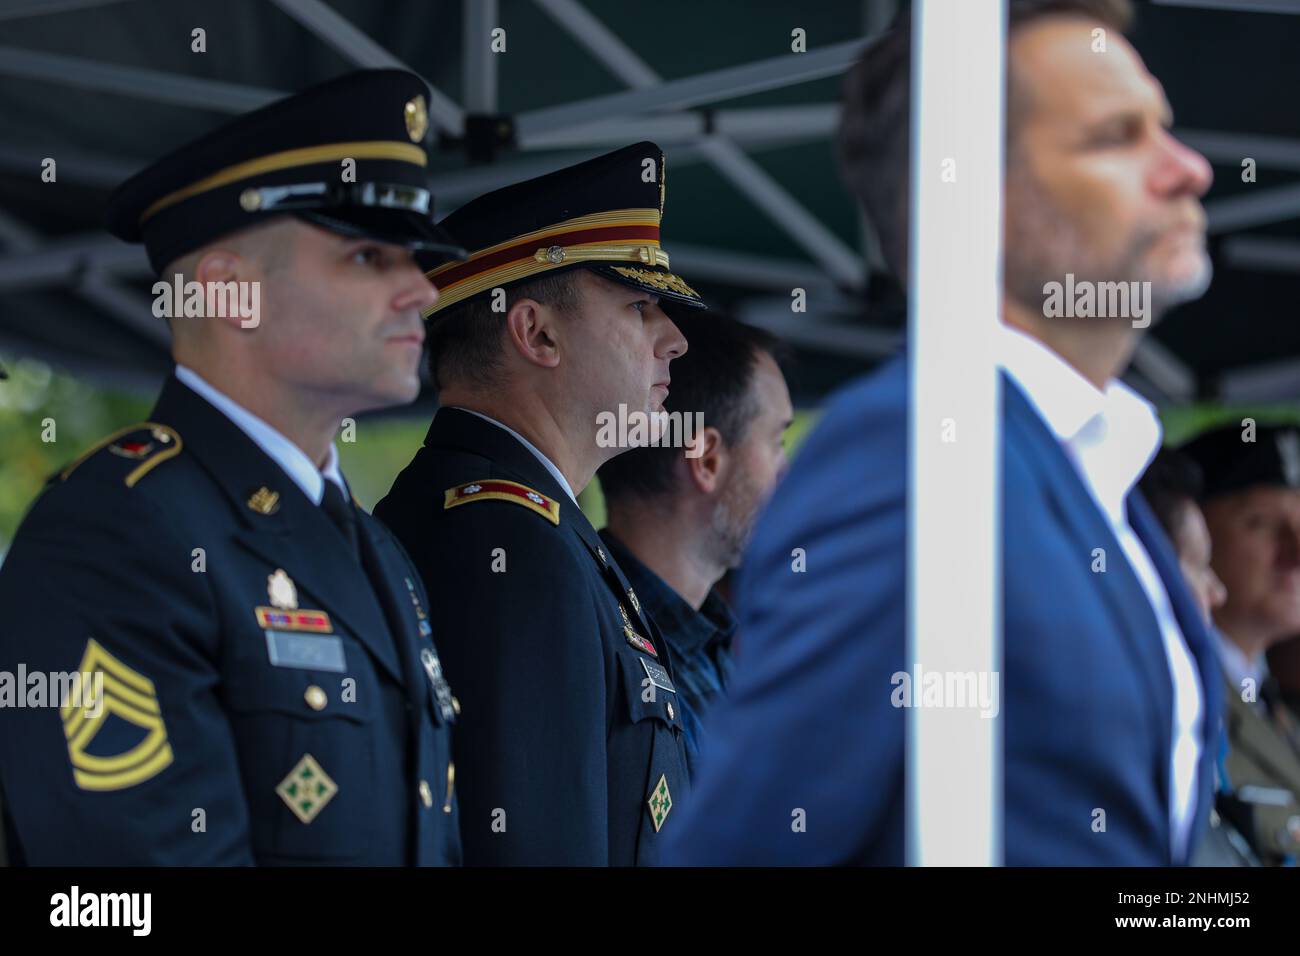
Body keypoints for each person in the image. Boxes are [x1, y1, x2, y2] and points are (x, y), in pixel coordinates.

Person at [665, 0, 1223, 866]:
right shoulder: (913, 458)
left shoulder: (1090, 474)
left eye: (1166, 129)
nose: (1189, 169)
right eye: (1118, 137)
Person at [0, 70, 464, 865]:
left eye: (412, 259)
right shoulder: (116, 530)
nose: (420, 289)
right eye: (367, 256)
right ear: (228, 291)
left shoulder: (374, 548)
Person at [374, 142, 699, 865]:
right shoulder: (505, 542)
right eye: (640, 305)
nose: (673, 340)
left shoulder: (534, 527)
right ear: (536, 332)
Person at [596, 311, 792, 777]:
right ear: (705, 460)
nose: (788, 475)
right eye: (777, 442)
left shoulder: (708, 639)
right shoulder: (608, 657)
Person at [1181, 423, 1300, 863]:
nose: (1297, 552)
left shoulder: (1275, 705)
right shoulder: (1180, 696)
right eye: (1262, 524)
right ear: (1194, 531)